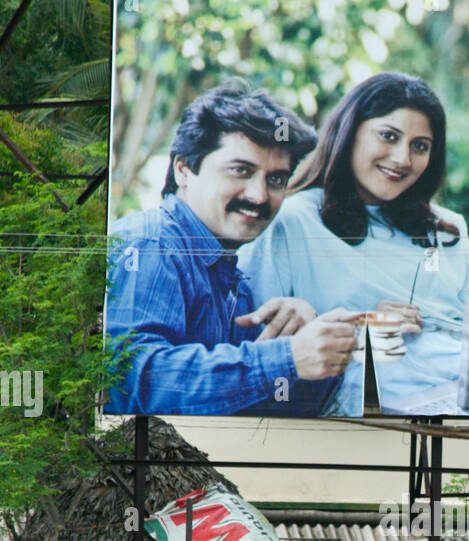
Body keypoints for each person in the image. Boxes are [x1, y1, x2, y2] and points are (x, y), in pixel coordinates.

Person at [240, 72, 469, 415]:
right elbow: (260, 351)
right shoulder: (292, 221)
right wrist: (365, 325)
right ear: (349, 134)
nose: (403, 159)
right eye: (388, 136)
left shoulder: (445, 228)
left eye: (419, 146)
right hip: (371, 414)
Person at [105, 80, 363, 417]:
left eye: (276, 180)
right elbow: (134, 382)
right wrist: (289, 357)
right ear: (184, 169)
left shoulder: (232, 279)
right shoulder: (152, 244)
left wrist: (314, 341)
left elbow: (267, 407)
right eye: (241, 171)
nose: (258, 195)